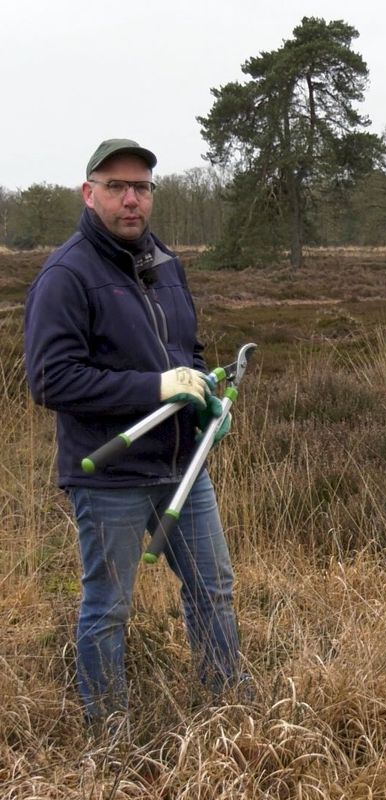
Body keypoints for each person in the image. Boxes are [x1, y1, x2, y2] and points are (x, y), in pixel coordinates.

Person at [24, 138, 245, 729]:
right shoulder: (66, 275)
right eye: (116, 187)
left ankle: (230, 714)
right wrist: (155, 388)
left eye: (141, 188)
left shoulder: (165, 263)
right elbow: (50, 380)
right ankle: (109, 737)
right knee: (109, 608)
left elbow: (185, 351)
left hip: (182, 466)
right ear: (88, 193)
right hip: (110, 475)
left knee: (213, 588)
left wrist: (204, 395)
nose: (131, 200)